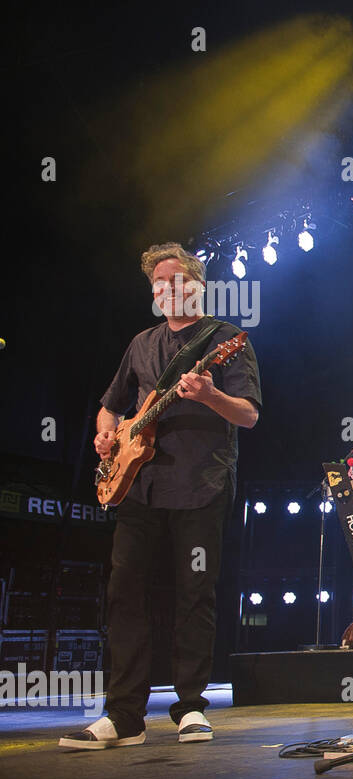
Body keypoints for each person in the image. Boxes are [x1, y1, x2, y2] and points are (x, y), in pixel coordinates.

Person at [60, 243, 261, 749]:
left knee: (194, 596)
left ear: (198, 285)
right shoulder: (141, 344)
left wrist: (210, 394)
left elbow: (249, 415)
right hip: (139, 488)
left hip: (201, 485)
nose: (165, 293)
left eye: (174, 282)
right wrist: (106, 436)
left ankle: (191, 707)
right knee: (124, 593)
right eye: (157, 287)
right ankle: (124, 715)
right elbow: (111, 407)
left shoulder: (226, 340)